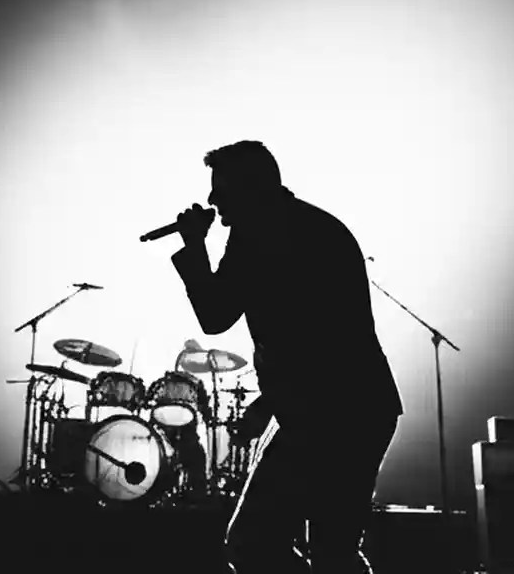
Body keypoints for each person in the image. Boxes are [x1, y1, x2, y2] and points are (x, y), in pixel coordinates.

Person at [169, 140, 402, 574]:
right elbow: (317, 342)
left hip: (329, 414)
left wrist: (195, 245)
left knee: (255, 543)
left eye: (221, 188)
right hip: (353, 406)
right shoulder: (310, 224)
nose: (213, 199)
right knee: (333, 548)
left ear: (250, 187)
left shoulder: (259, 234)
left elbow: (216, 315)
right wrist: (269, 402)